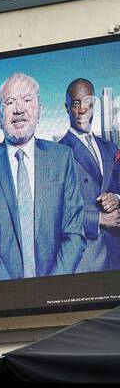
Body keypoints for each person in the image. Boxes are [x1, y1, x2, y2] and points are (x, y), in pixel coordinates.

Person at [0, 72, 85, 281]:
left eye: (27, 100)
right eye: (10, 102)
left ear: (40, 111)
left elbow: (74, 233)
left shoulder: (62, 159)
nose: (19, 110)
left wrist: (53, 288)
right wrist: (10, 290)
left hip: (56, 293)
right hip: (4, 297)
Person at [58, 78, 120, 272]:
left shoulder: (110, 148)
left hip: (116, 254)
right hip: (87, 262)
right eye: (76, 103)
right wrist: (99, 219)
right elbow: (53, 213)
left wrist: (117, 198)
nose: (82, 110)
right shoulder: (58, 153)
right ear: (67, 107)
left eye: (88, 103)